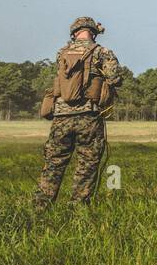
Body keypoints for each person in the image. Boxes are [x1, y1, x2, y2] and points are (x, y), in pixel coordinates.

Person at [34, 16, 121, 208]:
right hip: (89, 115)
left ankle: (41, 205)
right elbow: (115, 78)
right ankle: (78, 207)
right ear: (93, 33)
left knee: (54, 162)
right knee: (87, 163)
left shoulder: (62, 52)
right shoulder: (102, 52)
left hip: (61, 116)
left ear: (74, 33)